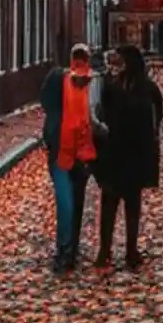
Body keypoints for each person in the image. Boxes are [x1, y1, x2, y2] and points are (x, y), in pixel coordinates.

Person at [95, 45, 163, 270]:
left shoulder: (147, 88)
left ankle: (130, 251)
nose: (118, 65)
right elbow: (102, 112)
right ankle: (106, 249)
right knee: (109, 205)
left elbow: (157, 116)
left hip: (134, 153)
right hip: (115, 152)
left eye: (121, 60)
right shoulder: (112, 86)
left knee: (130, 205)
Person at [40, 43, 99, 273]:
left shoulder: (93, 84)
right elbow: (46, 100)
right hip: (62, 151)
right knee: (66, 202)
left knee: (75, 202)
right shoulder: (58, 78)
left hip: (82, 153)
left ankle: (70, 249)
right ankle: (65, 250)